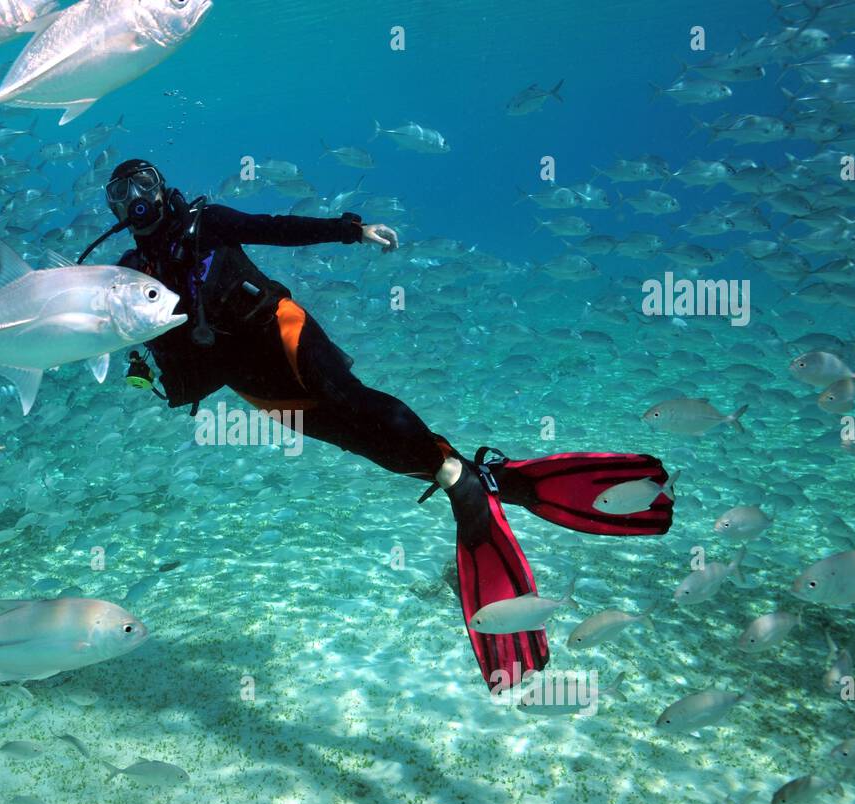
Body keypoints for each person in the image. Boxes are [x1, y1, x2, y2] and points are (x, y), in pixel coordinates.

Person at [74, 159, 675, 691]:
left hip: (279, 330)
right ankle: (477, 476)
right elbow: (129, 337)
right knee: (360, 442)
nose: (135, 201)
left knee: (349, 398)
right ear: (113, 209)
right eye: (120, 194)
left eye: (142, 185)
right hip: (254, 385)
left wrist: (350, 228)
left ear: (163, 187)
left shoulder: (206, 223)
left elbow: (277, 228)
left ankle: (455, 476)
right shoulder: (130, 271)